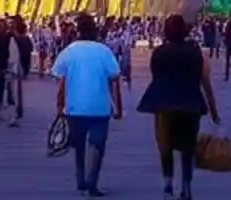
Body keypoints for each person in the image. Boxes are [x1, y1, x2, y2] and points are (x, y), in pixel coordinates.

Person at [136, 14, 221, 200]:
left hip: (165, 104)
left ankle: (167, 185)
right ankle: (186, 186)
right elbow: (204, 80)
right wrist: (213, 109)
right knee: (188, 148)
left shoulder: (159, 52)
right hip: (190, 103)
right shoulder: (196, 52)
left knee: (165, 147)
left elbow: (156, 77)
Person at [52, 14, 124, 198]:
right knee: (97, 146)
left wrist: (60, 105)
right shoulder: (104, 51)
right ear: (95, 31)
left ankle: (80, 180)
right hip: (100, 108)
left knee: (79, 147)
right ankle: (92, 183)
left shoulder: (68, 51)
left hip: (75, 107)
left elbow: (61, 81)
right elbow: (115, 80)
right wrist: (118, 107)